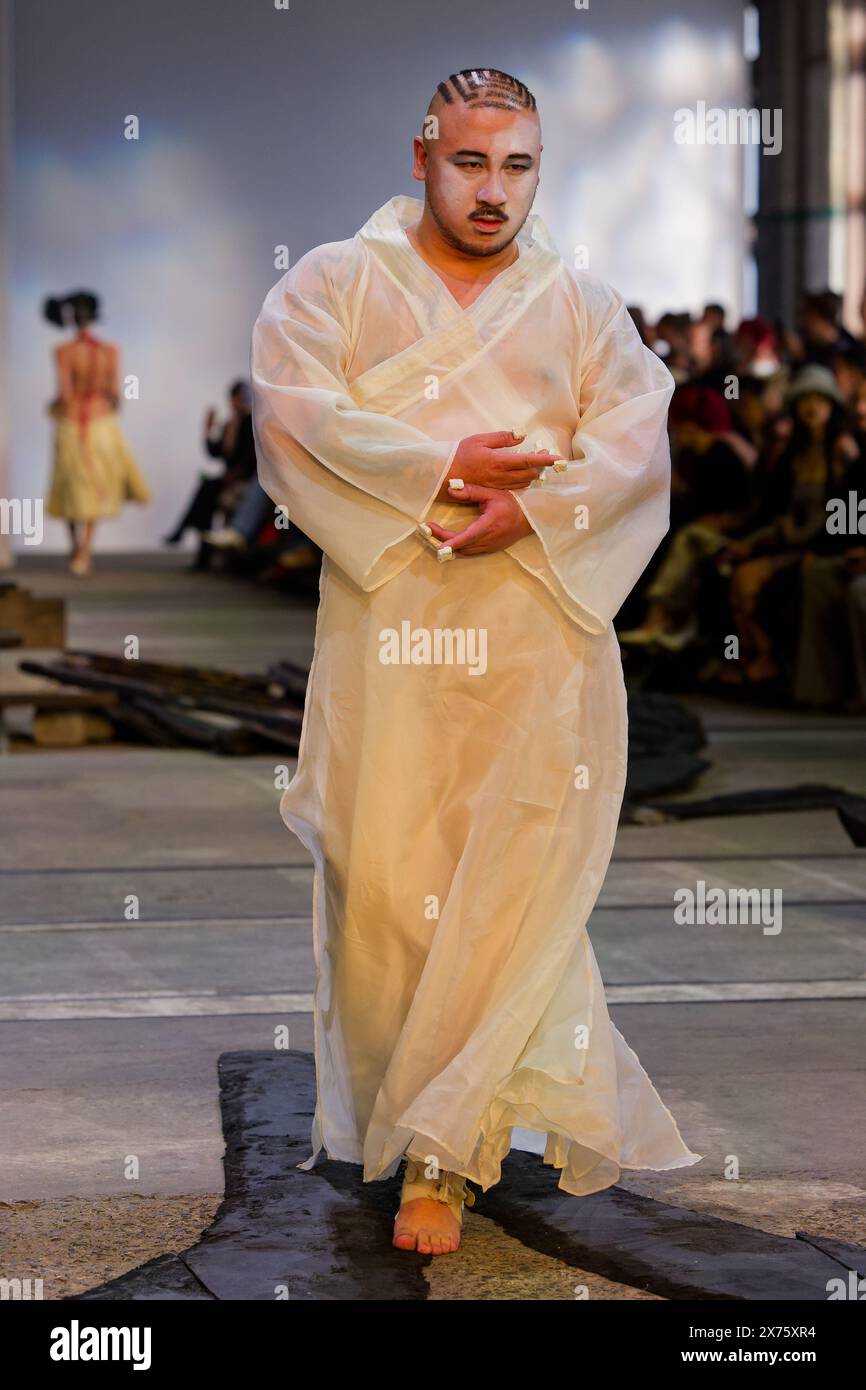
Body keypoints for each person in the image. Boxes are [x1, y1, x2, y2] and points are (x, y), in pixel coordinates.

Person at [251, 67, 701, 1259]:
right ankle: (408, 1116)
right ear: (421, 156)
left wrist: (534, 516)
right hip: (392, 621)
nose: (492, 189)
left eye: (515, 165)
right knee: (388, 872)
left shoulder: (577, 299)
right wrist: (437, 468)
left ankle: (448, 1150)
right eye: (468, 161)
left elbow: (631, 439)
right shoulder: (335, 284)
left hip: (535, 628)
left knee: (513, 883)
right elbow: (293, 414)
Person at [43, 290, 151, 575]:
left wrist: (51, 408)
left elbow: (64, 394)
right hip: (101, 424)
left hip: (71, 424)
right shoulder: (110, 351)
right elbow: (116, 394)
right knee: (94, 485)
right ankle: (85, 550)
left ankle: (76, 546)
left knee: (69, 485)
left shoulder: (63, 352)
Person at [164, 380, 256, 570]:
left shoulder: (251, 422)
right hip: (229, 478)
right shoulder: (230, 425)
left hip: (244, 479)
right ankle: (192, 542)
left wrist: (233, 476)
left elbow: (250, 459)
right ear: (232, 400)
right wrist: (207, 431)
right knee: (206, 495)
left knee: (206, 490)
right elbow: (215, 453)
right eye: (240, 398)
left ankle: (183, 531)